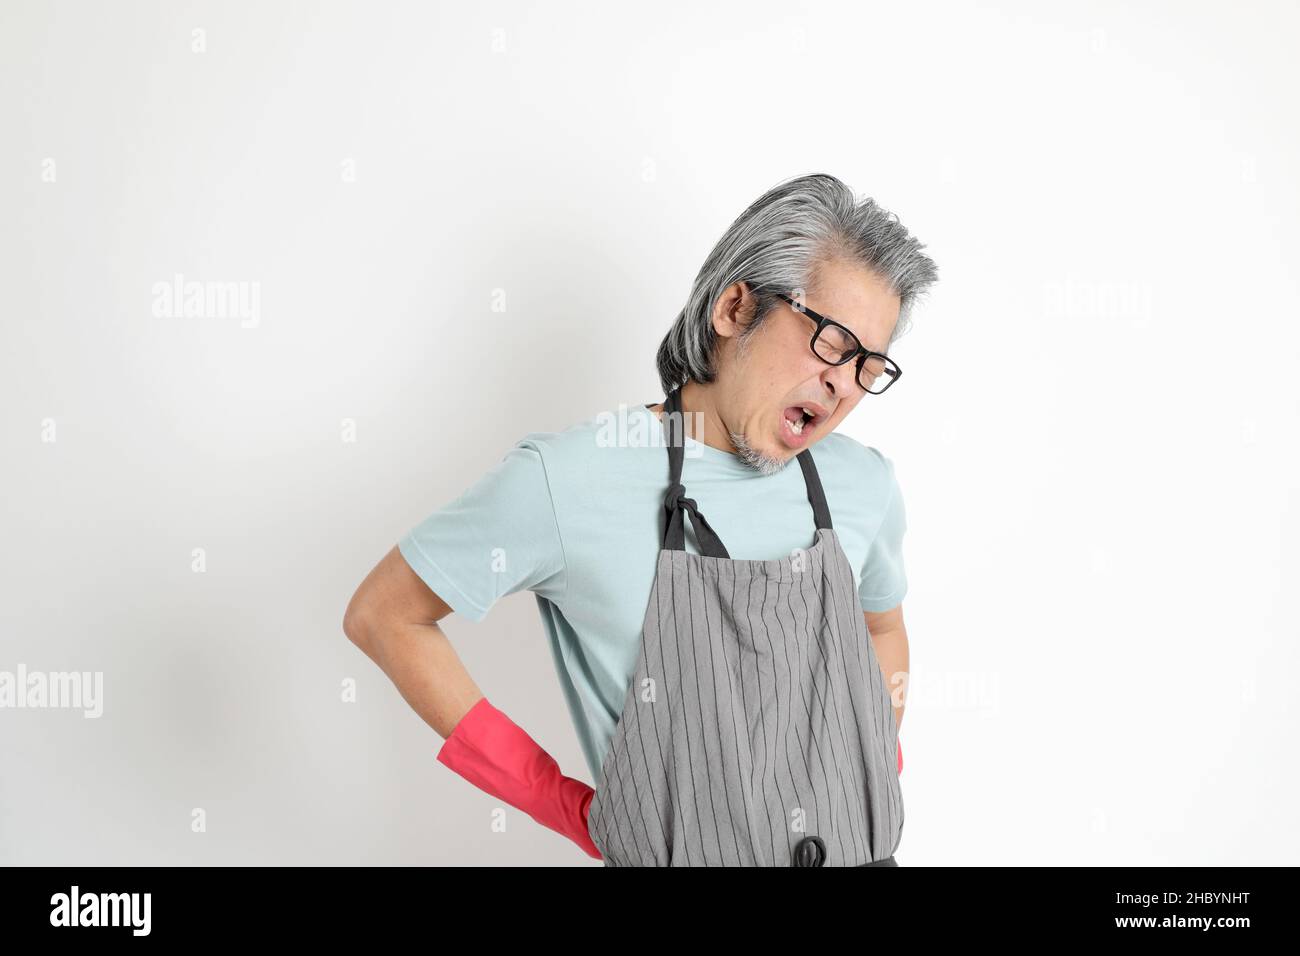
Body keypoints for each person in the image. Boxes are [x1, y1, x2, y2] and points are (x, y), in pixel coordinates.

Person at [343, 172, 938, 865]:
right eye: (831, 341)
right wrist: (559, 802)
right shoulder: (569, 480)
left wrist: (872, 748)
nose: (844, 383)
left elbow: (883, 626)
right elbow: (385, 616)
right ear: (736, 308)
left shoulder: (861, 483)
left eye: (869, 364)